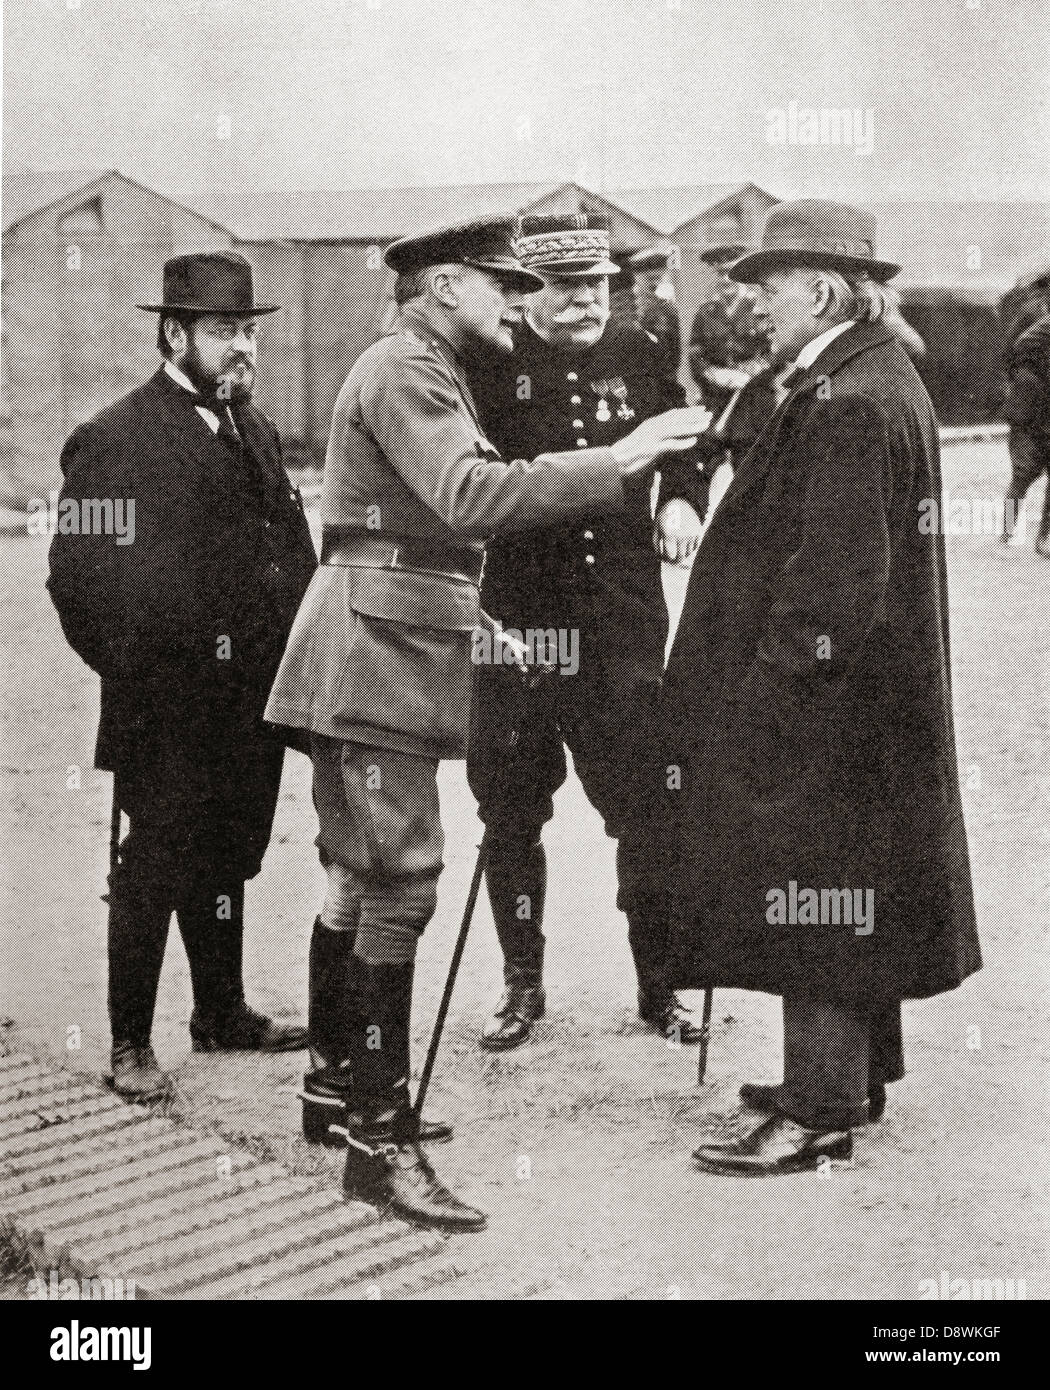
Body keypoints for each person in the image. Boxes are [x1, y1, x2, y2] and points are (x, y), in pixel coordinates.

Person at [263, 215, 709, 1229]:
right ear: (443, 284)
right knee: (400, 882)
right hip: (373, 656)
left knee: (357, 875)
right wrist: (621, 458)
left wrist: (488, 626)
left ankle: (335, 1089)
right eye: (500, 284)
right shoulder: (408, 369)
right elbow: (468, 496)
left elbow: (419, 531)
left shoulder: (423, 366)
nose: (521, 300)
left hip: (379, 643)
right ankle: (379, 1141)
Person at [655, 201, 981, 1175]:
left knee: (820, 891)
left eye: (770, 286)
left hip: (830, 705)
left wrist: (770, 697)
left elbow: (832, 587)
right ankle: (853, 1077)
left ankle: (819, 1107)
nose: (754, 304)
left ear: (826, 291)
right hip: (869, 704)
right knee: (853, 890)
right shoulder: (875, 375)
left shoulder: (850, 399)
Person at [47, 252, 318, 1101]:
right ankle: (130, 1043)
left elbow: (291, 557)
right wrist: (137, 674)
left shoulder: (255, 430)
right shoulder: (114, 438)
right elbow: (75, 579)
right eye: (224, 331)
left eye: (249, 332)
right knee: (153, 865)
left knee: (228, 854)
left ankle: (220, 1011)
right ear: (174, 335)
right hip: (165, 708)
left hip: (251, 702)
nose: (244, 348)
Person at [467, 213, 709, 1052]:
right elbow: (468, 482)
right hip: (518, 629)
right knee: (509, 812)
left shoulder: (640, 351)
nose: (586, 302)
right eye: (565, 287)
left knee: (648, 809)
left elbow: (686, 436)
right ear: (526, 292)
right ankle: (521, 982)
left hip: (620, 629)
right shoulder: (489, 365)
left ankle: (660, 985)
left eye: (598, 284)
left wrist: (682, 499)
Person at [999, 309, 1050, 555]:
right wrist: (1031, 380)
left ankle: (1044, 537)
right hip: (1031, 413)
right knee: (1022, 474)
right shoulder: (1042, 328)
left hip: (1042, 411)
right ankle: (1007, 530)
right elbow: (1020, 345)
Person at [628, 244, 683, 384]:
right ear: (636, 276)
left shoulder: (668, 309)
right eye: (649, 278)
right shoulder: (621, 303)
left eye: (658, 278)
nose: (654, 284)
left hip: (662, 383)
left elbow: (675, 355)